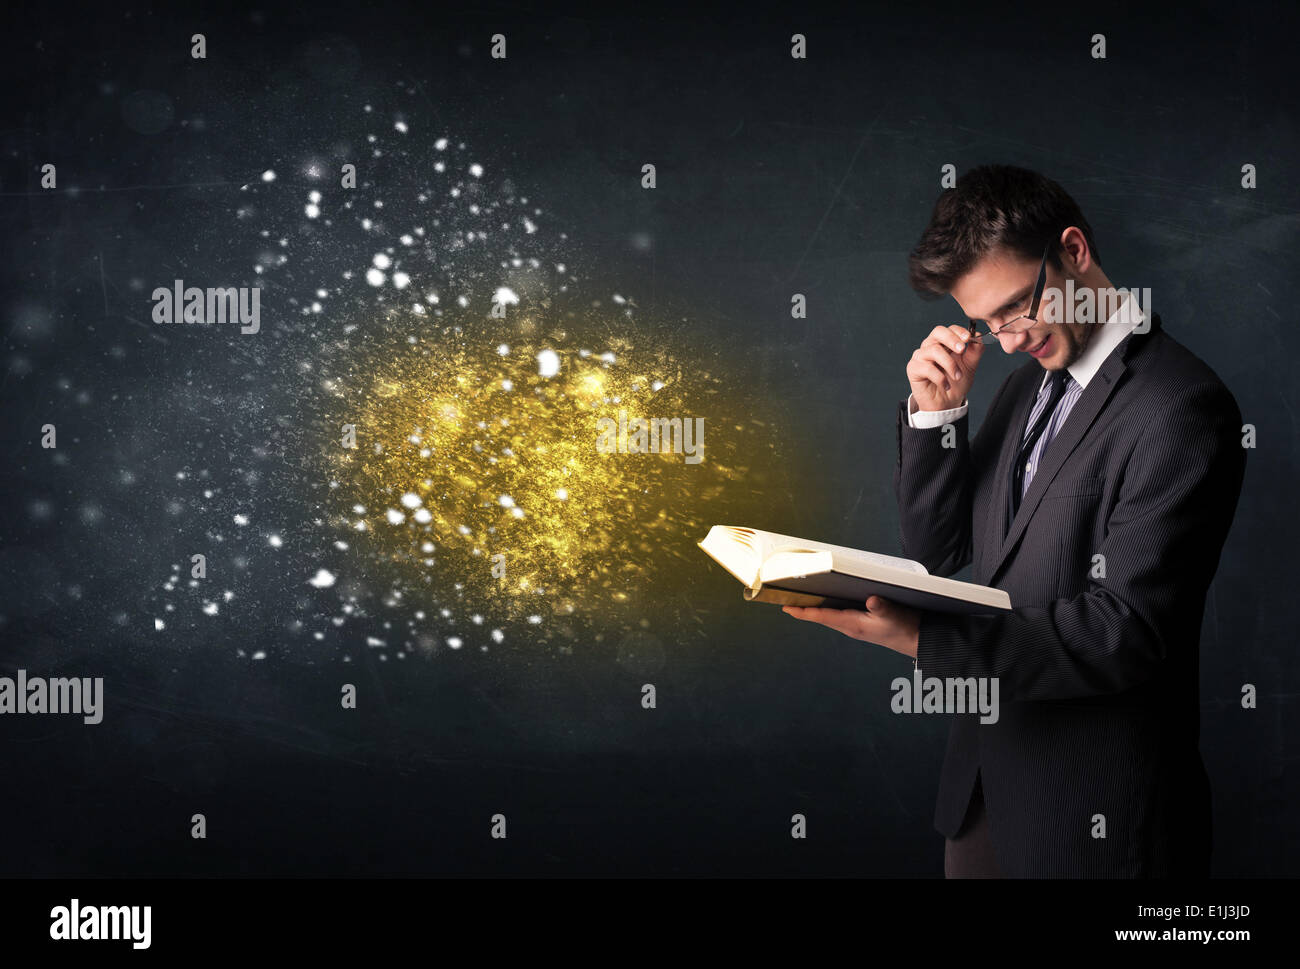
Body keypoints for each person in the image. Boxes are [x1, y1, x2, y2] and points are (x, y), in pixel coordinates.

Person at [783, 165, 1247, 877]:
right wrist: (938, 415)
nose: (1005, 341)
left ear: (1074, 250)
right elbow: (940, 550)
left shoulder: (1181, 405)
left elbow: (1125, 631)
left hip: (1097, 823)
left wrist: (925, 640)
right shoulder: (1028, 380)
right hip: (980, 799)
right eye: (986, 322)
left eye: (1016, 309)